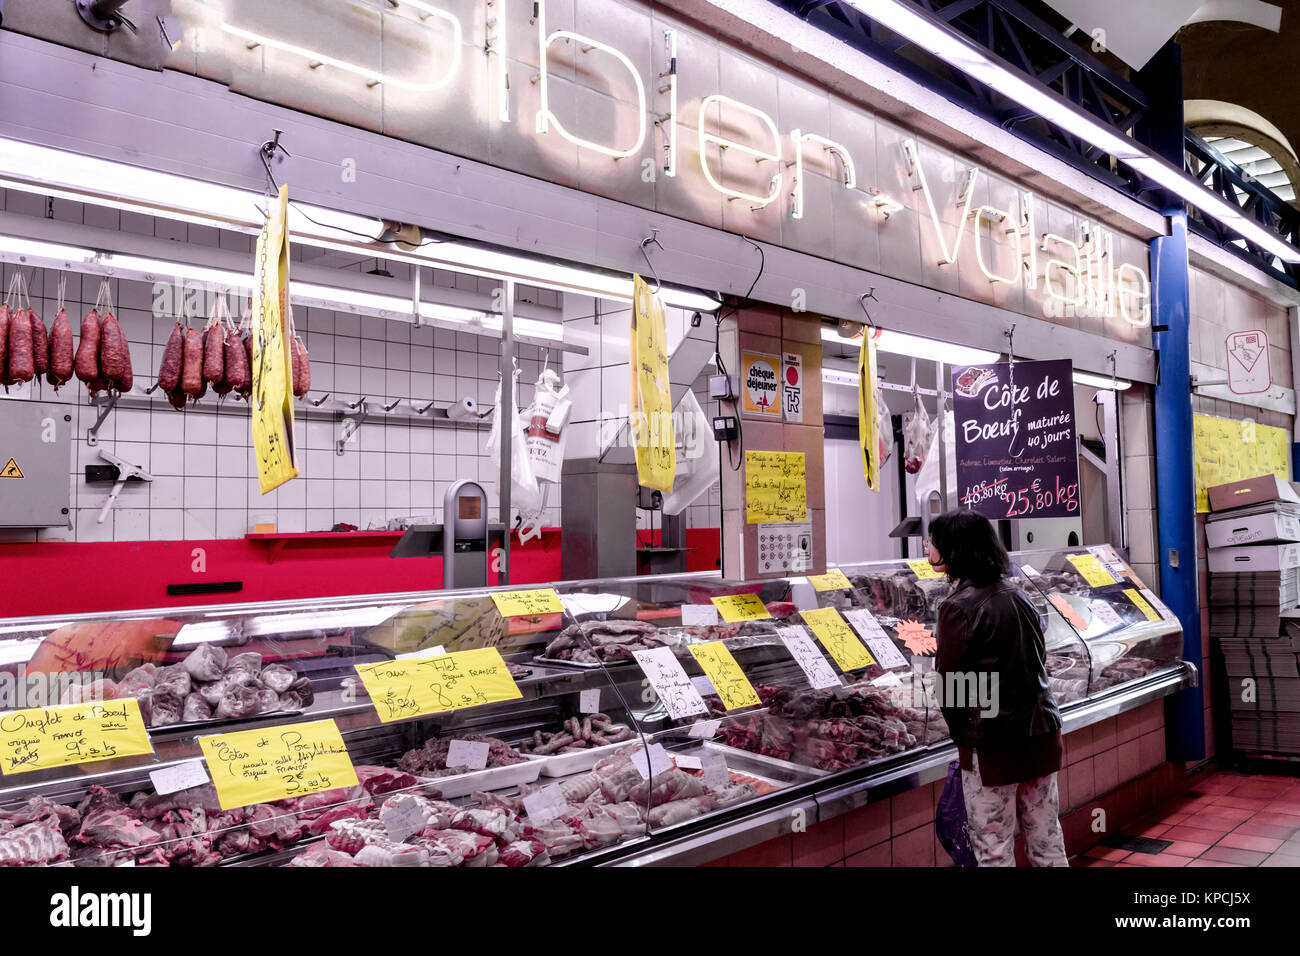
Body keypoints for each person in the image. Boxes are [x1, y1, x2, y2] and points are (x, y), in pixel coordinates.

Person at [928, 509, 1068, 867]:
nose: (928, 547)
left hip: (993, 747)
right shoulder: (1018, 595)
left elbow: (953, 688)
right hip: (1041, 735)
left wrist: (965, 738)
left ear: (955, 549)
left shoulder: (958, 606)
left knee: (993, 849)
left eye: (934, 541)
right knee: (1046, 838)